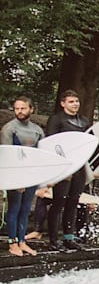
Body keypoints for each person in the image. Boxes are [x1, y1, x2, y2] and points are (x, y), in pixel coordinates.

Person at [44, 90, 91, 252]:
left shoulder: (84, 121)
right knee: (59, 202)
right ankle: (53, 240)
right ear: (62, 103)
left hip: (79, 167)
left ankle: (69, 238)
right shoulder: (56, 120)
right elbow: (51, 144)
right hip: (63, 167)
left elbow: (89, 145)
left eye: (76, 101)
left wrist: (91, 168)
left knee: (73, 202)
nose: (75, 104)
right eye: (71, 101)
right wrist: (63, 169)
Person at [2, 95, 46, 256]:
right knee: (15, 207)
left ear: (31, 109)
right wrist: (16, 179)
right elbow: (7, 155)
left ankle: (22, 241)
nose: (19, 111)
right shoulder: (9, 128)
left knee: (26, 209)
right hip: (16, 174)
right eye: (17, 108)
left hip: (31, 174)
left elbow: (42, 156)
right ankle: (12, 242)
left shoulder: (37, 130)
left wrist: (42, 182)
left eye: (23, 108)